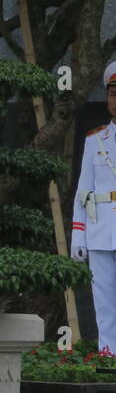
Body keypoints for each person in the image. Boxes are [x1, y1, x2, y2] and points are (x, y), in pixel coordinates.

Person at [70, 60, 116, 355]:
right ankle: (109, 357)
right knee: (103, 301)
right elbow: (83, 191)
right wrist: (78, 233)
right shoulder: (95, 139)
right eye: (113, 92)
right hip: (100, 231)